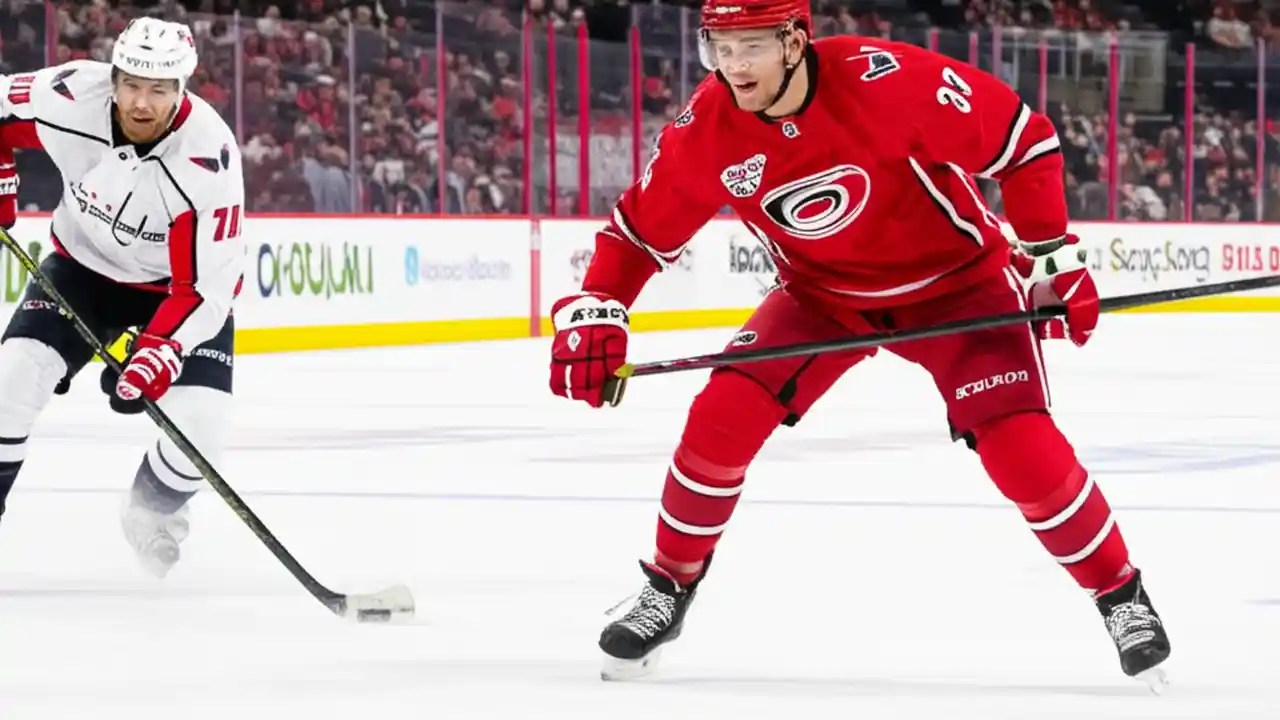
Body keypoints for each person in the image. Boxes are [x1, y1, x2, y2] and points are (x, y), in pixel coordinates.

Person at [546, 0, 1171, 689]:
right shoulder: (709, 128)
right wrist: (599, 304)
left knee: (1021, 450)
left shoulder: (889, 79)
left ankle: (1121, 596)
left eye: (749, 46)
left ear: (793, 39)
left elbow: (1026, 143)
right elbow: (636, 234)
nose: (732, 66)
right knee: (719, 421)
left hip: (960, 285)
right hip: (822, 299)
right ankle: (668, 586)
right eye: (718, 48)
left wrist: (1051, 257)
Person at [0, 18, 245, 578]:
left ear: (182, 88)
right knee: (9, 377)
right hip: (82, 270)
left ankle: (151, 514)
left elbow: (205, 288)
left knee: (201, 429)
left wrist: (162, 349)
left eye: (159, 89)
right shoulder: (68, 93)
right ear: (112, 77)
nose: (141, 102)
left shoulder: (210, 159)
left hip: (175, 294)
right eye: (132, 83)